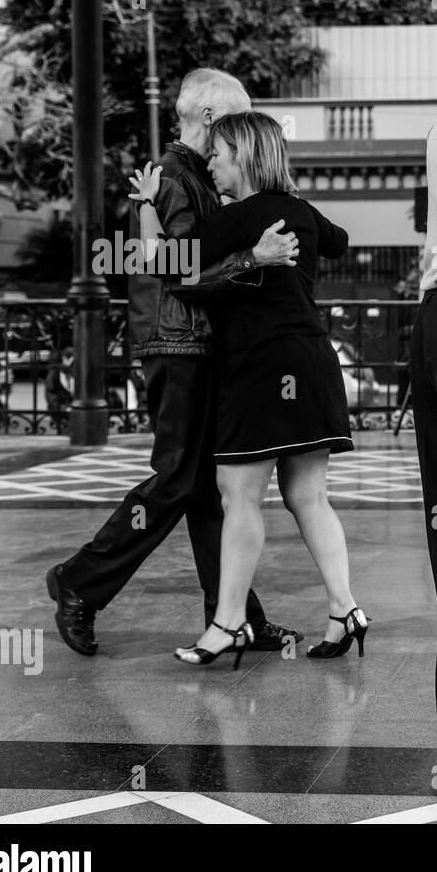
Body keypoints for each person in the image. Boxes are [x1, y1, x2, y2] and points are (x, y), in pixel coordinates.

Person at [46, 69, 302, 657]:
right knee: (178, 478)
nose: (242, 135)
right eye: (237, 121)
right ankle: (80, 582)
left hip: (192, 342)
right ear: (212, 120)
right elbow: (177, 269)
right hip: (178, 342)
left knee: (206, 487)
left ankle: (234, 615)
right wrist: (252, 255)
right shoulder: (170, 176)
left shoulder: (189, 175)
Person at [131, 111, 364, 668]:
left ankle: (228, 622)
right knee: (308, 496)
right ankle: (345, 610)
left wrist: (146, 203)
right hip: (310, 361)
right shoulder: (294, 211)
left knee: (238, 495)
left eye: (219, 155)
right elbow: (339, 241)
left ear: (244, 156)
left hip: (260, 367)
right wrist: (292, 203)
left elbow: (156, 261)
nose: (211, 164)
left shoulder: (240, 216)